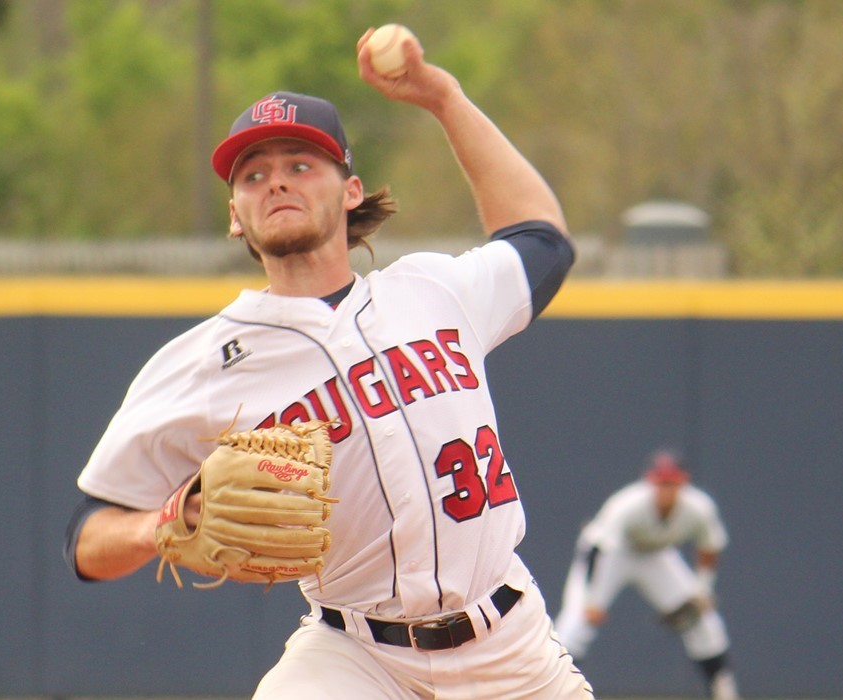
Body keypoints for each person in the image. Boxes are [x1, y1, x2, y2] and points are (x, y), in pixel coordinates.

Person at [65, 28, 592, 699]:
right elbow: (87, 539)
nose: (275, 181)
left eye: (301, 164)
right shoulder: (202, 363)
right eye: (252, 176)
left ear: (351, 191)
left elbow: (541, 237)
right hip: (356, 656)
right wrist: (162, 523)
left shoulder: (435, 292)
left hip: (511, 649)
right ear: (235, 216)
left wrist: (444, 98)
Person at [554, 450, 738, 700]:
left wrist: (703, 590)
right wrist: (592, 600)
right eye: (661, 482)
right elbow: (599, 550)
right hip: (611, 557)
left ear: (683, 482)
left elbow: (710, 546)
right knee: (576, 622)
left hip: (656, 555)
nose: (666, 488)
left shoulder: (699, 507)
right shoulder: (627, 504)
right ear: (651, 481)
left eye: (672, 482)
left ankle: (723, 692)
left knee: (704, 621)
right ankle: (553, 691)